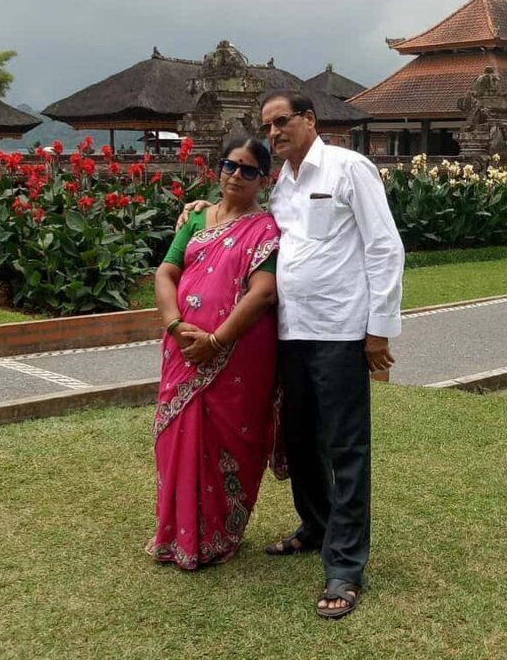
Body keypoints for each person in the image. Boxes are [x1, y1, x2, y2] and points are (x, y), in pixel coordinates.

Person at [181, 91, 405, 619]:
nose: (274, 132)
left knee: (345, 446)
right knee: (300, 439)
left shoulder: (349, 168)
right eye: (267, 125)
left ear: (309, 119)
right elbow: (252, 223)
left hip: (340, 330)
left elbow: (384, 246)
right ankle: (316, 525)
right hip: (290, 332)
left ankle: (345, 565)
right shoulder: (282, 183)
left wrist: (378, 330)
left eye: (282, 121)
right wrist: (203, 208)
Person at [147, 138, 280, 570]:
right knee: (178, 438)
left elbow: (263, 291)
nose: (236, 175)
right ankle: (175, 534)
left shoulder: (265, 229)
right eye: (230, 165)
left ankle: (218, 536)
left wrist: (216, 341)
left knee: (229, 438)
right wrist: (174, 324)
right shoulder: (196, 218)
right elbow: (166, 272)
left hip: (237, 356)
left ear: (264, 179)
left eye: (248, 170)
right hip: (182, 349)